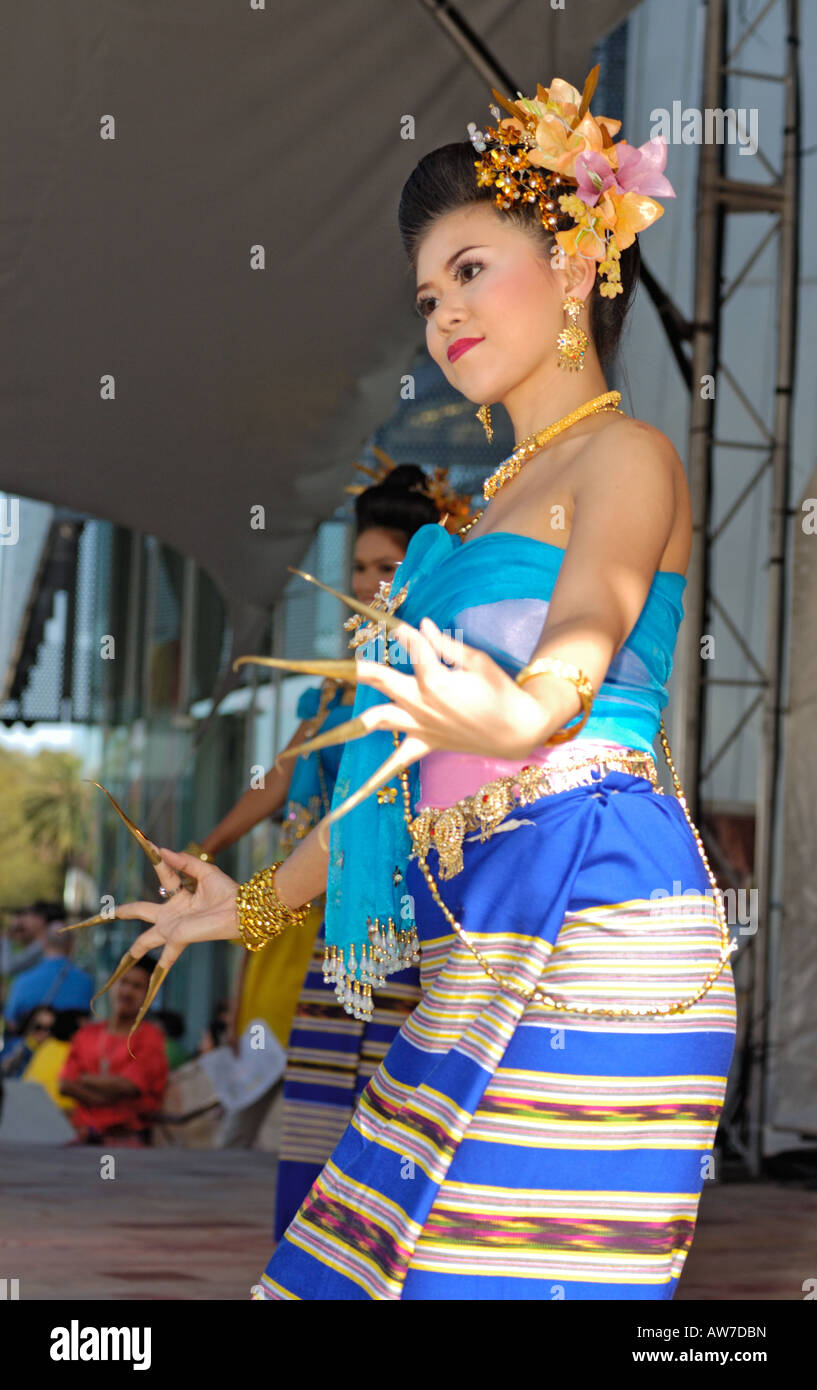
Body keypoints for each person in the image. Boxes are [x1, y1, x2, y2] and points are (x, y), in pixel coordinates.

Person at [109, 66, 737, 1300]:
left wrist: (514, 712)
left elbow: (581, 641)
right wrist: (248, 908)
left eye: (468, 267)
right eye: (424, 292)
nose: (441, 309)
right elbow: (387, 782)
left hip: (594, 909)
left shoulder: (629, 455)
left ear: (568, 264)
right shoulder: (464, 524)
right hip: (475, 919)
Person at [194, 464, 454, 1056]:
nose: (366, 583)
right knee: (304, 1070)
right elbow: (282, 776)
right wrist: (208, 845)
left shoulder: (432, 664)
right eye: (358, 567)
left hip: (392, 899)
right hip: (310, 890)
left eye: (384, 568)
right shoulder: (343, 684)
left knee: (382, 1065)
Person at [58, 957, 168, 1145]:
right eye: (123, 982)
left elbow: (128, 1085)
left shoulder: (151, 1037)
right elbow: (65, 1085)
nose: (126, 992)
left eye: (137, 986)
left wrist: (85, 1080)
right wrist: (109, 1099)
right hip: (81, 1140)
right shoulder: (86, 1034)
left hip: (128, 1144)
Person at [2, 916, 94, 1034]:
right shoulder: (86, 982)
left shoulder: (22, 981)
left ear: (44, 943)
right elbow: (87, 1023)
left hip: (33, 1051)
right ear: (71, 944)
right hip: (71, 1050)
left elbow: (11, 1023)